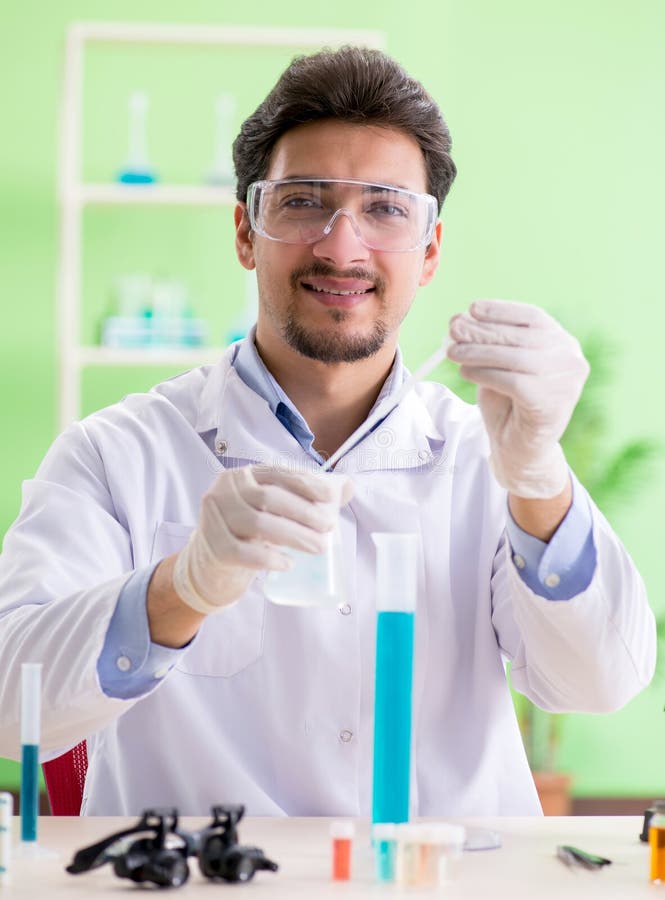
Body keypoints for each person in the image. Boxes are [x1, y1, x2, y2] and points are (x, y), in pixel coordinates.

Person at [0, 47, 655, 817]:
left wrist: (540, 481)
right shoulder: (116, 453)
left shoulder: (488, 456)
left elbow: (599, 681)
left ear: (429, 250)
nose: (342, 247)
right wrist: (181, 589)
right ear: (246, 232)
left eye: (384, 209)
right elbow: (16, 711)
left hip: (444, 880)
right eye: (304, 201)